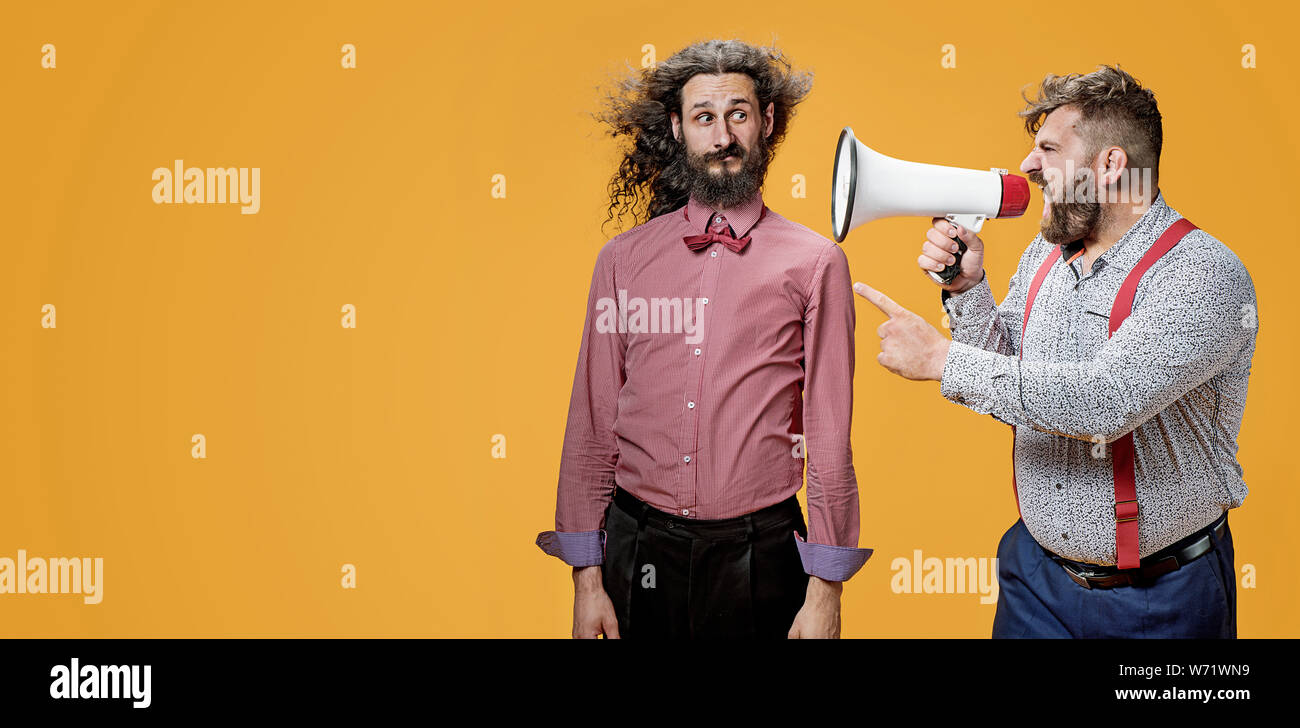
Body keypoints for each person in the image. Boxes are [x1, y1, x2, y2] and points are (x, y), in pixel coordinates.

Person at [853, 65, 1256, 638]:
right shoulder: (1045, 258)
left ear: (1109, 165)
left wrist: (942, 359)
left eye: (1048, 147)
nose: (1026, 165)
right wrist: (968, 292)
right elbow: (1009, 384)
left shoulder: (1201, 272)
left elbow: (1102, 405)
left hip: (1161, 597)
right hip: (1035, 579)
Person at [535, 39, 872, 639]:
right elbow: (592, 421)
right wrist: (587, 580)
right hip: (636, 549)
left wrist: (825, 591)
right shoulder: (622, 260)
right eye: (704, 118)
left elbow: (826, 433)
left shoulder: (817, 263)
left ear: (767, 121)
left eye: (739, 114)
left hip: (762, 553)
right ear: (679, 127)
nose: (722, 137)